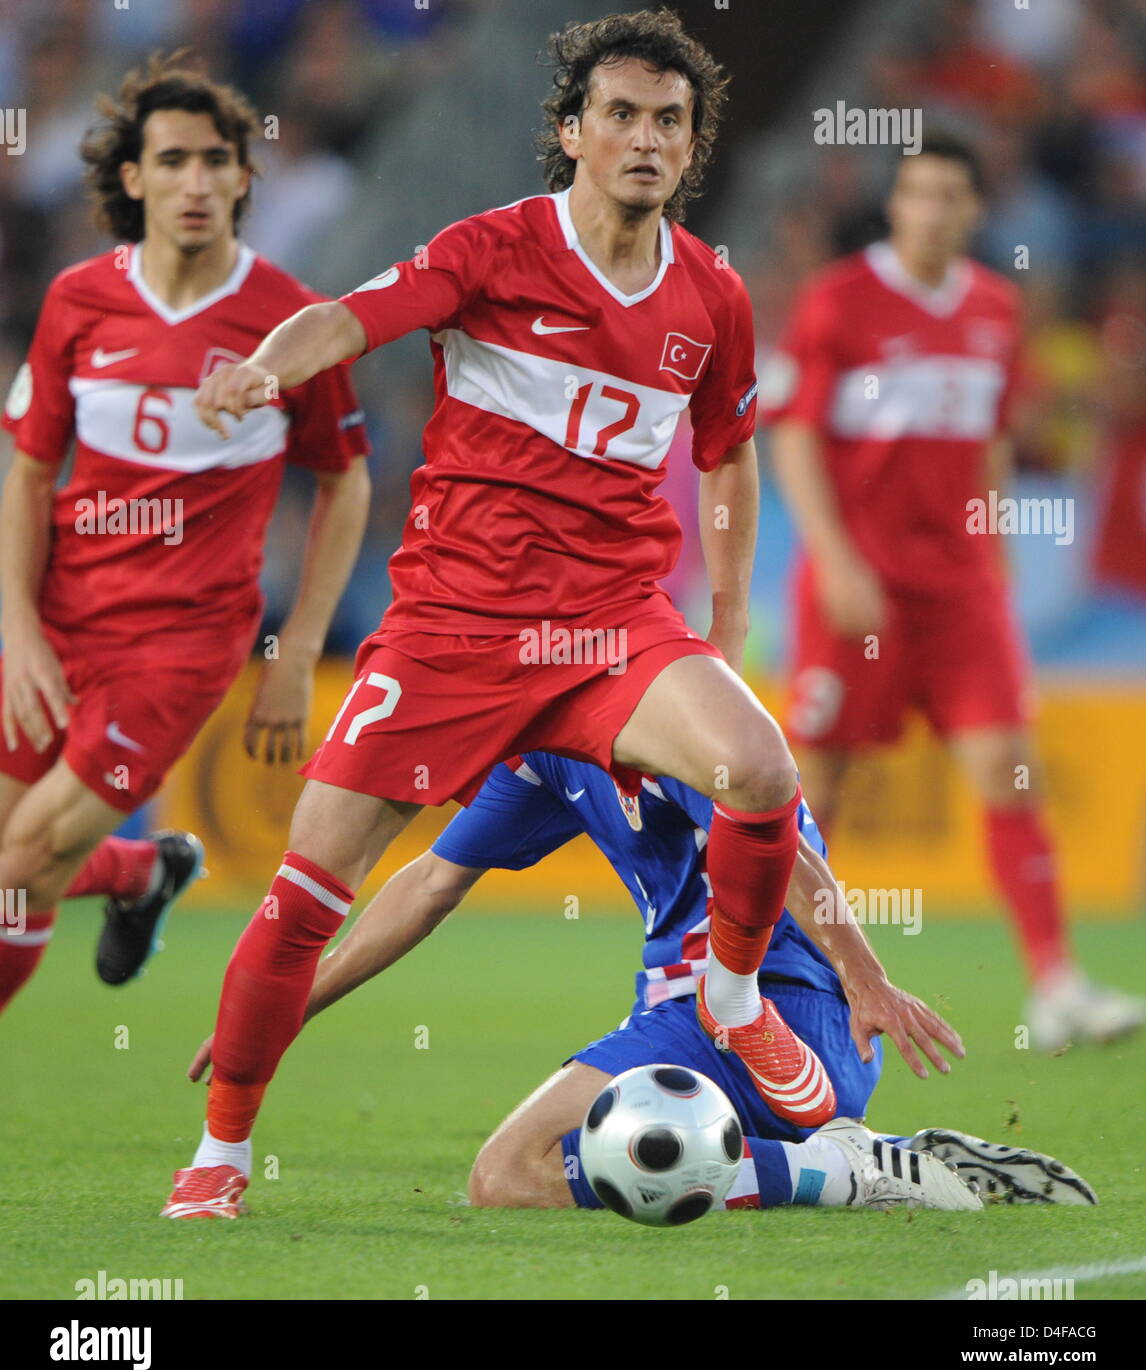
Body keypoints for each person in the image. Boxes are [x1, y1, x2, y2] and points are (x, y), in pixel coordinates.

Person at [164, 8, 840, 1215]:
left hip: (611, 625)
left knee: (757, 767)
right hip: (454, 626)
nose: (644, 139)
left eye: (668, 122)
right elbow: (347, 317)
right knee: (306, 891)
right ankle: (218, 1155)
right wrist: (267, 367)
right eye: (621, 116)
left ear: (692, 147)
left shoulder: (712, 298)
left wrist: (726, 626)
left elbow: (730, 453)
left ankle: (732, 997)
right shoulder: (489, 249)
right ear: (572, 132)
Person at [174, 753, 1096, 1218]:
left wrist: (867, 973)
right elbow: (428, 884)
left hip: (776, 1015)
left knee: (508, 1176)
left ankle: (841, 1170)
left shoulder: (668, 721)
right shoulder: (555, 753)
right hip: (732, 1035)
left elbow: (776, 834)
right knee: (524, 1170)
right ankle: (847, 1158)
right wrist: (291, 1005)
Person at [0, 55, 370, 1010]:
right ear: (134, 178)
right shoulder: (80, 301)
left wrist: (295, 659)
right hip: (60, 618)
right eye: (172, 161)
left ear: (247, 176)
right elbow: (31, 476)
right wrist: (22, 633)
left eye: (217, 160)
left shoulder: (289, 319)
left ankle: (126, 871)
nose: (196, 182)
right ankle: (135, 872)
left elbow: (346, 482)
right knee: (11, 878)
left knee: (21, 861)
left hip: (180, 643)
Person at [763, 136, 1144, 1051]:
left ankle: (1056, 985)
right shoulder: (839, 300)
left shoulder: (994, 308)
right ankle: (765, 982)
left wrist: (997, 536)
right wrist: (837, 560)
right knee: (818, 791)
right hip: (858, 586)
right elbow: (797, 438)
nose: (931, 210)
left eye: (949, 196)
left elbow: (992, 439)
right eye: (916, 193)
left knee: (1008, 768)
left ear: (975, 211)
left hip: (961, 590)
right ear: (896, 204)